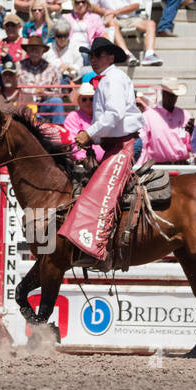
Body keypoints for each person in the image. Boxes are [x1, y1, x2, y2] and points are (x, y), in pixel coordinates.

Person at [59, 36, 142, 262]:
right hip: (118, 143)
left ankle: (98, 245)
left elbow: (115, 114)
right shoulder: (107, 79)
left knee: (100, 192)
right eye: (91, 55)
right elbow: (113, 120)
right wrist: (93, 139)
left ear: (110, 56)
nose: (93, 59)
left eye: (97, 55)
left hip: (125, 145)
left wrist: (89, 133)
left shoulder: (111, 80)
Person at [138, 78, 191, 166]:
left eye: (174, 95)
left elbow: (189, 143)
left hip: (182, 164)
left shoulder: (185, 115)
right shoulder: (148, 117)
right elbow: (143, 144)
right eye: (170, 95)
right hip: (159, 166)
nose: (172, 98)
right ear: (163, 94)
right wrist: (140, 166)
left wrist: (191, 135)